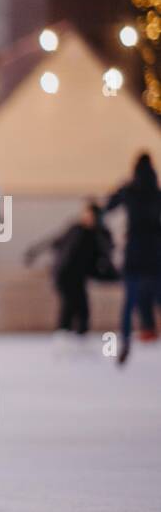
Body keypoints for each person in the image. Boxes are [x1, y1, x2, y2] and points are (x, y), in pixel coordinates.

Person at [24, 200, 117, 339]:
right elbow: (54, 241)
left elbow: (105, 254)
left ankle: (75, 337)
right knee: (71, 306)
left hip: (77, 277)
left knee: (80, 309)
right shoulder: (76, 230)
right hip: (64, 275)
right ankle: (64, 337)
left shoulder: (98, 234)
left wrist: (113, 274)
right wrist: (34, 252)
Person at [102, 152, 161, 365]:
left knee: (129, 302)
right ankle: (148, 330)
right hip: (155, 253)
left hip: (135, 252)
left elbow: (107, 208)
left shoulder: (129, 191)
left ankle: (126, 342)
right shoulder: (157, 193)